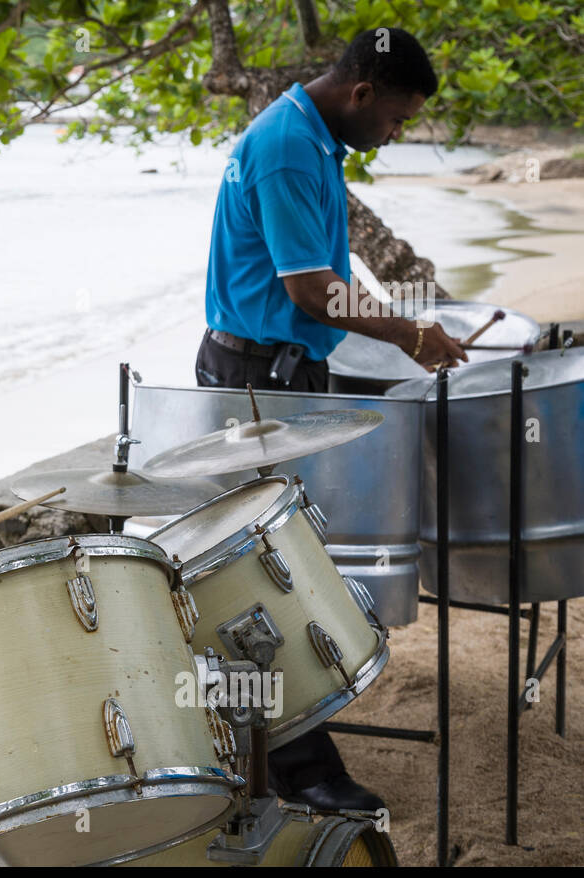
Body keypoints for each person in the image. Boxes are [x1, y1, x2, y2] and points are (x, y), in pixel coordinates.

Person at [195, 27, 467, 812]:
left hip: (281, 368)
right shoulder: (285, 145)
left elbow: (333, 282)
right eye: (396, 119)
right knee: (259, 578)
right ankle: (301, 770)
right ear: (361, 94)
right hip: (253, 375)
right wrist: (409, 331)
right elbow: (313, 291)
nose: (395, 134)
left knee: (287, 560)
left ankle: (288, 745)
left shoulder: (316, 142)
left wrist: (404, 324)